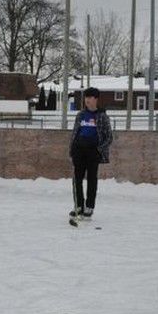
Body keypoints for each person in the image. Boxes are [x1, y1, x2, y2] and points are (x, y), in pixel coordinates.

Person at [69, 86, 114, 219]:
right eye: (86, 98)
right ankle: (78, 206)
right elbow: (75, 133)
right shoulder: (80, 115)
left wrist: (98, 149)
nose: (87, 100)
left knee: (91, 180)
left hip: (93, 151)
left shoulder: (102, 116)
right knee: (76, 179)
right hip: (79, 150)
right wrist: (72, 148)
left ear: (96, 99)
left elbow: (109, 137)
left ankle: (89, 207)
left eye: (90, 98)